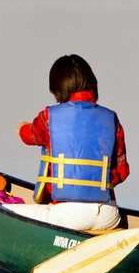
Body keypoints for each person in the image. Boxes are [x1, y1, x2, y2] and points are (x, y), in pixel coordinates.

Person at [10, 54, 129, 230]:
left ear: (57, 88)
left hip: (69, 216)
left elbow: (30, 135)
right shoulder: (111, 119)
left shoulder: (48, 117)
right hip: (108, 215)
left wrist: (21, 128)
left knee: (5, 209)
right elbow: (122, 170)